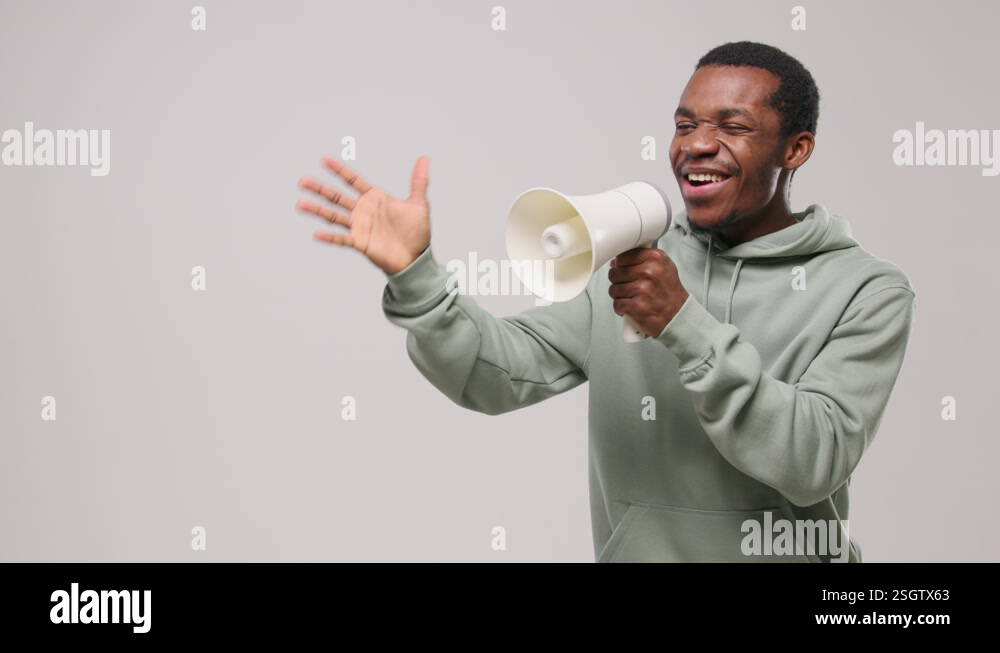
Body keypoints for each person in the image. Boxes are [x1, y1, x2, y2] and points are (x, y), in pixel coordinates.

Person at [295, 41, 916, 562]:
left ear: (796, 149)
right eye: (684, 124)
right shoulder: (628, 265)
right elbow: (493, 377)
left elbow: (814, 460)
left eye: (732, 126)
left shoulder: (867, 289)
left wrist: (682, 323)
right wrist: (418, 277)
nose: (697, 145)